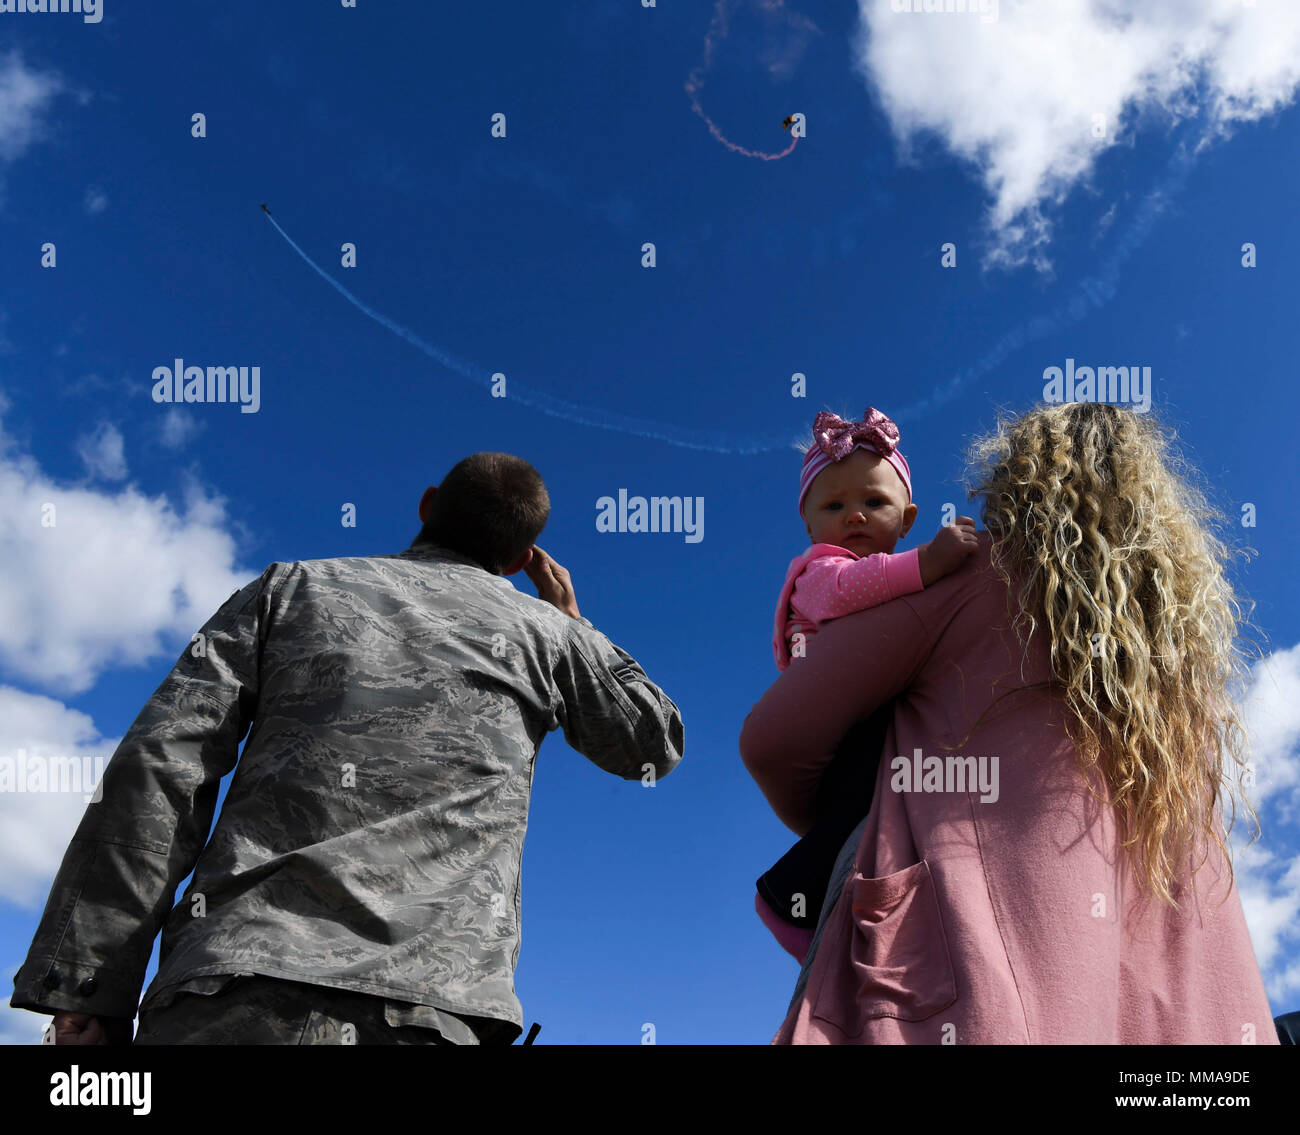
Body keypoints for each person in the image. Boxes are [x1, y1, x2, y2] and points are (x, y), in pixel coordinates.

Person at [13, 451, 684, 1045]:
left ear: (426, 506)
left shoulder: (289, 588)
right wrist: (573, 625)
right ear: (518, 560)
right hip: (432, 1014)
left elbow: (158, 764)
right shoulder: (545, 635)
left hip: (228, 992)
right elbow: (653, 741)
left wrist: (85, 991)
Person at [740, 402, 1277, 1043]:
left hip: (985, 994)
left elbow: (773, 739)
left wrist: (854, 818)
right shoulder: (1179, 677)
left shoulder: (976, 577)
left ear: (1022, 478)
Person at [755, 407, 978, 963]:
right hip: (842, 729)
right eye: (833, 506)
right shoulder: (819, 570)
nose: (854, 515)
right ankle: (787, 896)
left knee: (882, 817)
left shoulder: (889, 585)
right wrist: (929, 562)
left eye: (874, 502)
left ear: (907, 517)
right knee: (866, 803)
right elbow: (848, 592)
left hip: (865, 719)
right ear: (808, 523)